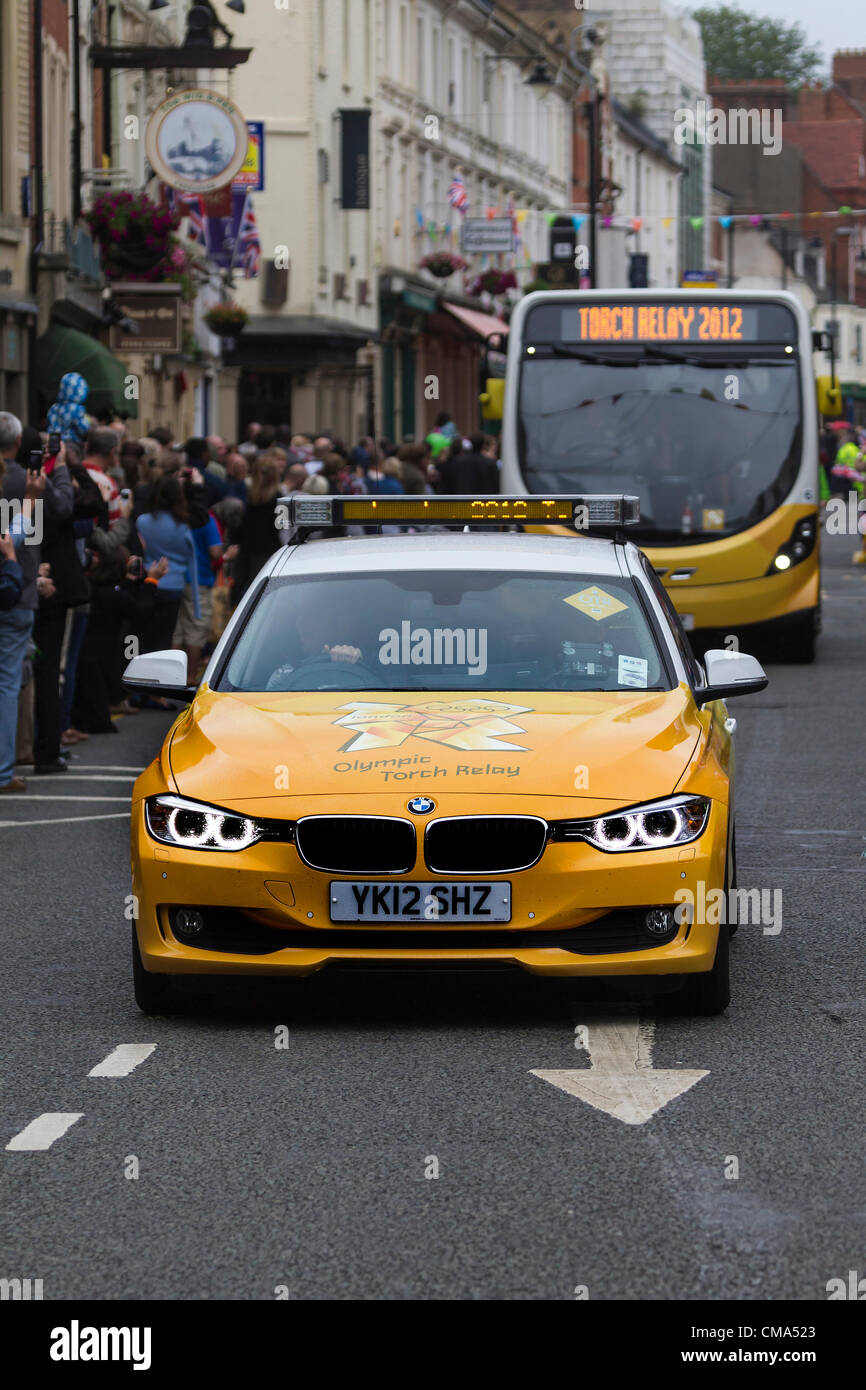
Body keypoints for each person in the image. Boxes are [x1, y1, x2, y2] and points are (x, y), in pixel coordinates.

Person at [136, 473, 200, 662]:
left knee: (143, 636)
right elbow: (192, 561)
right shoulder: (183, 526)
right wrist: (196, 602)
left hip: (148, 581)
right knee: (164, 639)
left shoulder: (142, 521)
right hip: (174, 586)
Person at [231, 453, 285, 601]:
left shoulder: (248, 497)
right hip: (269, 549)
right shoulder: (278, 498)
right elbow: (281, 528)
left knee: (246, 588)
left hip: (247, 549)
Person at [46, 372, 91, 447]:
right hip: (71, 444)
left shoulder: (54, 407)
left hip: (54, 443)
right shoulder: (76, 409)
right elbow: (83, 429)